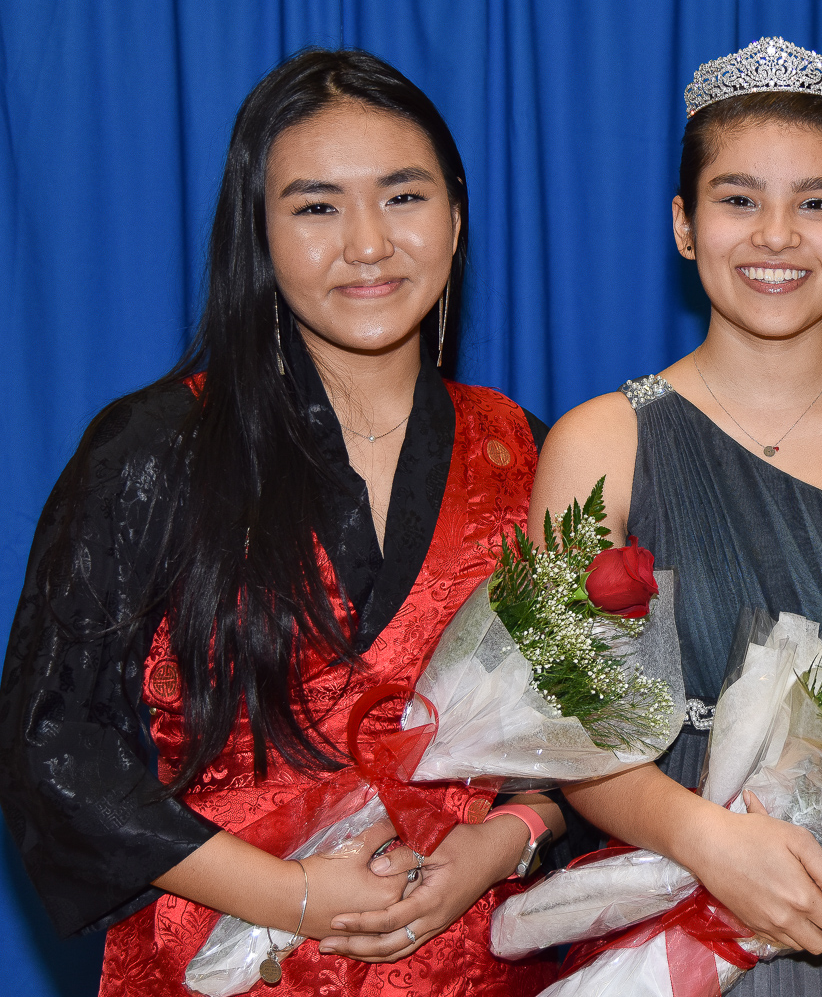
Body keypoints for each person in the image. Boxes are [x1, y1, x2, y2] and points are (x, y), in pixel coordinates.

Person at [0, 49, 560, 995]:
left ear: (456, 219)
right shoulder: (158, 446)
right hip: (219, 963)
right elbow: (52, 744)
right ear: (257, 235)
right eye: (315, 206)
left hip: (471, 964)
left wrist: (502, 845)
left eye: (403, 197)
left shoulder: (525, 451)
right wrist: (292, 893)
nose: (369, 245)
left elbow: (592, 741)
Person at [534, 37, 822, 996]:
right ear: (684, 223)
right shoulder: (597, 444)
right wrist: (710, 843)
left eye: (817, 204)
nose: (777, 235)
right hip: (666, 922)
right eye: (739, 199)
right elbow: (559, 732)